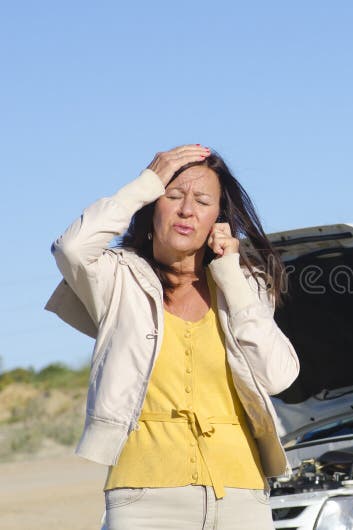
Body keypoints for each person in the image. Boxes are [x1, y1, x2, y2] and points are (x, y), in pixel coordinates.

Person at [46, 145, 299, 529]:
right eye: (174, 195)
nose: (186, 210)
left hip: (241, 495)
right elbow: (72, 247)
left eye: (202, 201)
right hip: (144, 498)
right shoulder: (118, 278)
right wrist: (147, 181)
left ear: (218, 218)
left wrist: (231, 273)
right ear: (152, 206)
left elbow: (279, 375)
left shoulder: (243, 286)